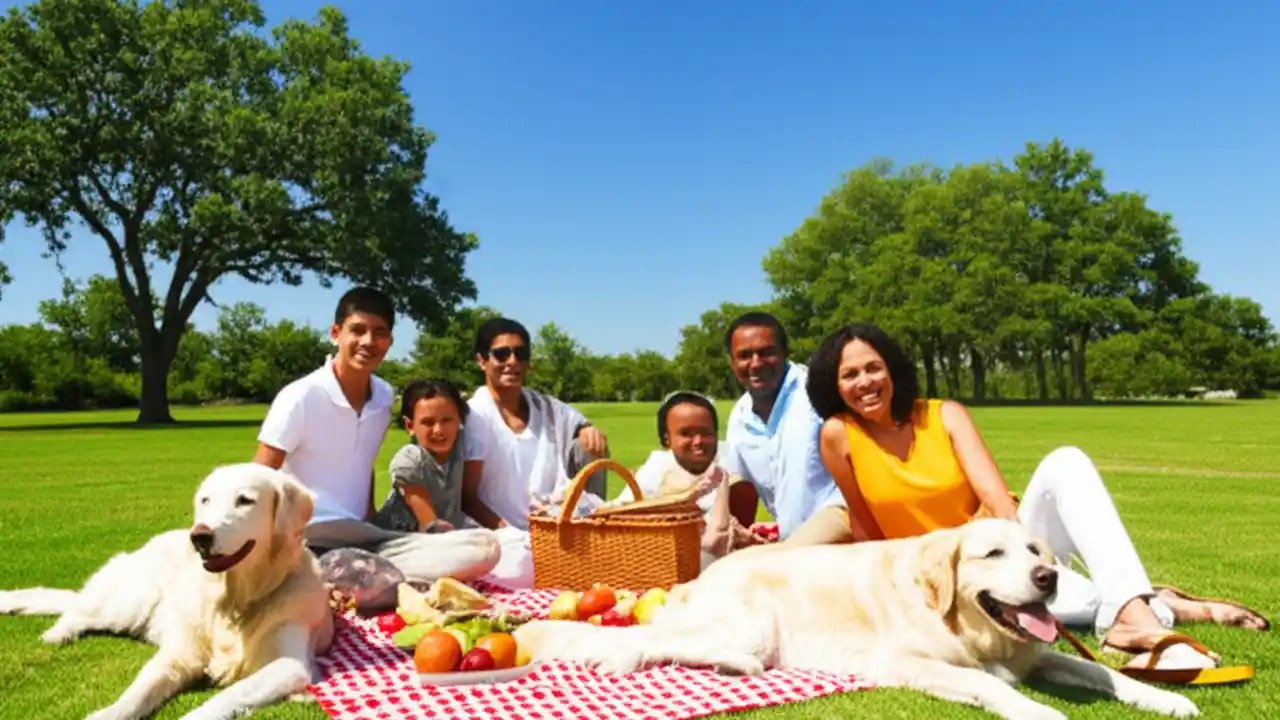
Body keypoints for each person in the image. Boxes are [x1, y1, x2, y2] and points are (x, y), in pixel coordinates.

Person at [805, 321, 1270, 674]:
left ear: (892, 370)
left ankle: (1133, 619)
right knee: (1079, 605)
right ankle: (1157, 605)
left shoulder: (944, 414)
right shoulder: (838, 435)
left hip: (1003, 545)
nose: (864, 382)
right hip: (937, 578)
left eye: (873, 368)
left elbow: (996, 498)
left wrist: (1017, 563)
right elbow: (865, 526)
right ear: (834, 384)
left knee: (1066, 461)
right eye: (850, 374)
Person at [252, 287, 500, 584]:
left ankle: (358, 577)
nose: (368, 341)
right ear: (336, 333)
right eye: (357, 330)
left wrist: (369, 518)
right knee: (357, 570)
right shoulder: (300, 396)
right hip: (308, 533)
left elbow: (363, 462)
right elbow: (258, 477)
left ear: (390, 341)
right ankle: (334, 575)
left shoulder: (383, 396)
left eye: (379, 332)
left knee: (483, 549)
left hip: (364, 537)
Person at [463, 317, 611, 531]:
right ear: (481, 360)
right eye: (502, 354)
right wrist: (510, 534)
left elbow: (578, 423)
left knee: (591, 445)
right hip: (498, 533)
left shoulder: (545, 408)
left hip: (549, 523)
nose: (512, 361)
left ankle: (594, 527)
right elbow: (467, 498)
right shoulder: (474, 416)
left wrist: (587, 430)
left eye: (520, 354)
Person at [719, 312, 849, 544]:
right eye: (745, 355)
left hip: (842, 515)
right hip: (793, 537)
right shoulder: (740, 416)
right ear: (732, 362)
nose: (756, 363)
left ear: (784, 353)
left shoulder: (817, 393)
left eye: (767, 352)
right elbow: (736, 485)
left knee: (783, 561)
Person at [616, 391, 763, 565]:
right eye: (686, 434)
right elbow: (617, 517)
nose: (698, 441)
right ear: (667, 439)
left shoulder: (728, 466)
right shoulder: (656, 470)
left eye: (706, 433)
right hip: (664, 567)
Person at [372, 378, 474, 533]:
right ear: (410, 426)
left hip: (446, 536)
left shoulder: (462, 447)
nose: (438, 430)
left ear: (459, 419)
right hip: (402, 541)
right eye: (428, 422)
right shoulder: (409, 461)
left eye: (446, 420)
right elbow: (430, 524)